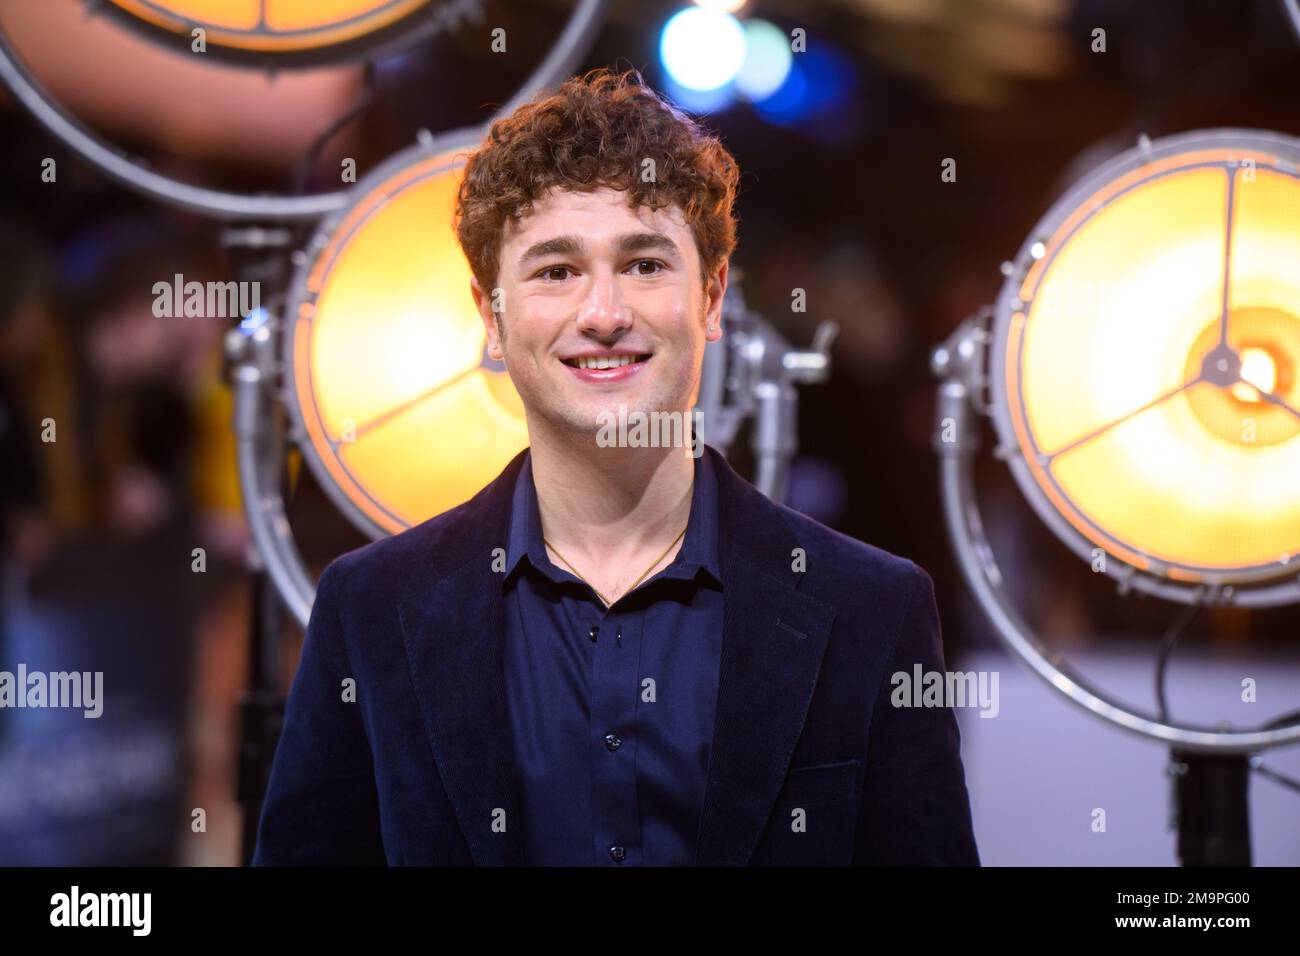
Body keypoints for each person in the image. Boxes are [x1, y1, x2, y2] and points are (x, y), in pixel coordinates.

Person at [253, 67, 978, 866]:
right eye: (556, 271)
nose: (603, 315)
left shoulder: (870, 609)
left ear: (710, 297)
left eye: (643, 264)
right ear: (490, 317)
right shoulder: (371, 609)